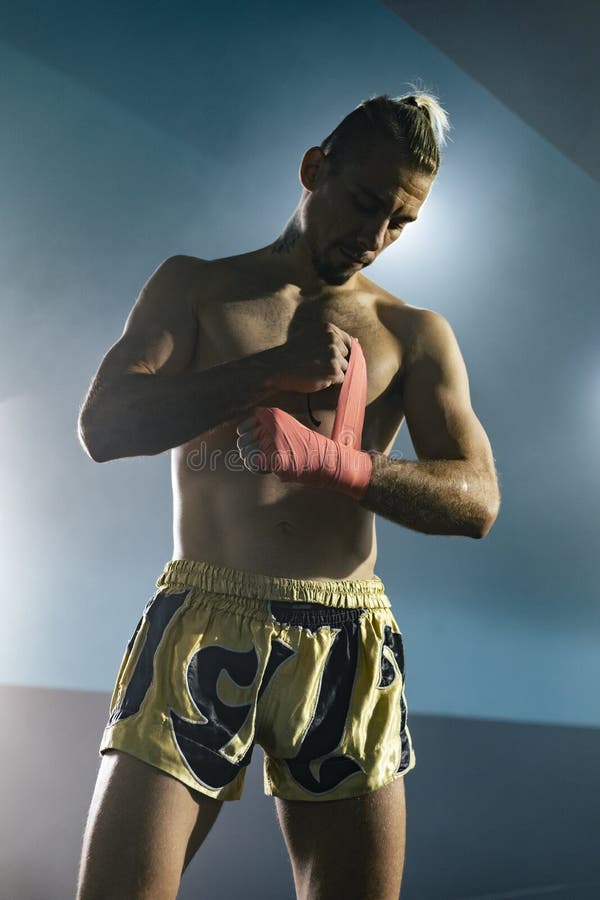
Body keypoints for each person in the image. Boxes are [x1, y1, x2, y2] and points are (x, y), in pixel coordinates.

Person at [75, 91, 501, 900]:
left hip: (345, 635)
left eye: (401, 223)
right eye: (367, 205)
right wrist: (263, 376)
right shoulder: (196, 289)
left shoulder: (415, 334)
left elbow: (478, 501)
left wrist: (341, 466)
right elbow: (104, 426)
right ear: (316, 169)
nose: (376, 239)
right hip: (204, 621)